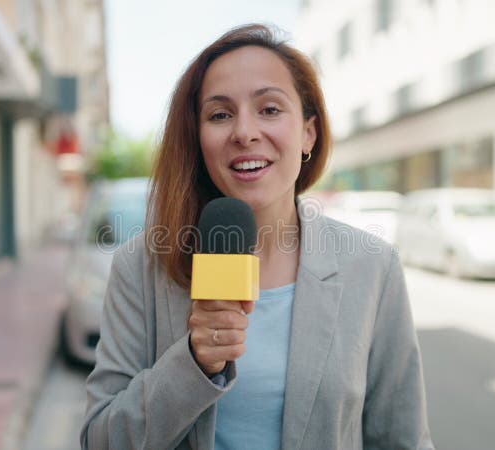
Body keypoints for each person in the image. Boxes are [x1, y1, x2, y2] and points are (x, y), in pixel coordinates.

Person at [80, 24, 433, 450]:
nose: (244, 132)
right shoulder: (140, 267)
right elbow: (101, 440)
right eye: (220, 114)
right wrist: (192, 363)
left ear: (308, 133)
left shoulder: (373, 267)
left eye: (269, 109)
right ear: (197, 139)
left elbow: (402, 439)